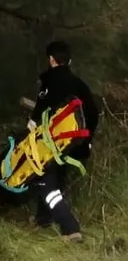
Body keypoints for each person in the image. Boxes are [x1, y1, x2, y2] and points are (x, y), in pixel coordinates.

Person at [26, 40, 99, 242]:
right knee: (56, 178)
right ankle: (43, 218)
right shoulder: (80, 85)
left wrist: (32, 122)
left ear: (51, 60)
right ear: (69, 60)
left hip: (52, 143)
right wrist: (87, 139)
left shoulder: (49, 81)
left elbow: (41, 108)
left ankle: (70, 228)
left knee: (45, 182)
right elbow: (93, 113)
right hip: (74, 144)